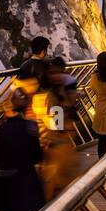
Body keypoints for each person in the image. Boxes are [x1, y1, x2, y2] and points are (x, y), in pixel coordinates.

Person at [0, 88, 45, 211]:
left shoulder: (3, 129)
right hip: (28, 180)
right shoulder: (31, 127)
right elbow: (37, 156)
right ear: (27, 107)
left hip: (8, 182)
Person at [34, 57, 80, 200]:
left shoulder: (39, 94)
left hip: (44, 139)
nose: (58, 76)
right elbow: (57, 124)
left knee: (51, 178)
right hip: (55, 143)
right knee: (55, 179)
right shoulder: (52, 96)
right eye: (53, 73)